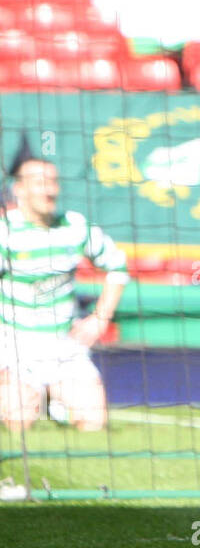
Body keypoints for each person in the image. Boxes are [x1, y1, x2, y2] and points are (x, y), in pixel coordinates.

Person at [0, 152, 129, 433]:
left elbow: (118, 268)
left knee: (94, 424)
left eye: (53, 182)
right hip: (15, 347)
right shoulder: (5, 232)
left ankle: (53, 400)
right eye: (39, 182)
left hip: (64, 348)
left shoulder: (74, 227)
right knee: (18, 424)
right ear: (19, 189)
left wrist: (100, 317)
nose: (48, 189)